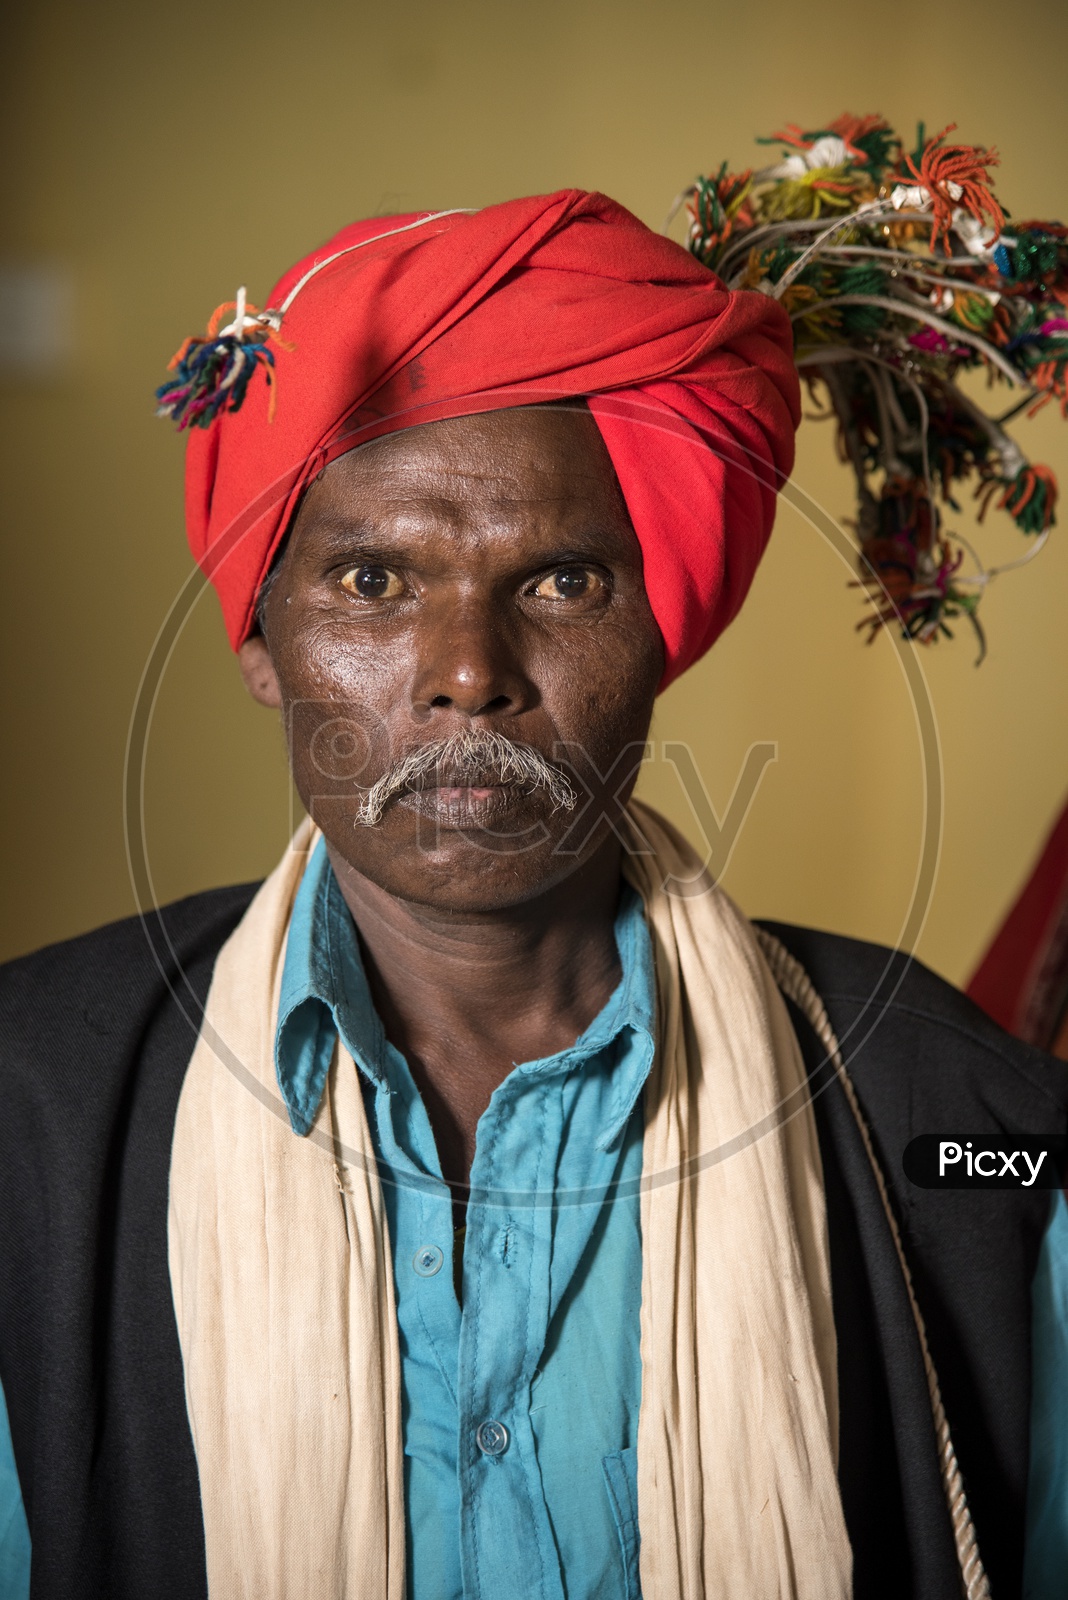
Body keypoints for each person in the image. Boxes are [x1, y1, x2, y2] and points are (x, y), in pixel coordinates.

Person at [0, 191, 1065, 1600]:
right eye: (372, 580)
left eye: (562, 582)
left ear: (662, 629)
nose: (467, 672)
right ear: (264, 640)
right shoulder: (28, 1108)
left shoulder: (965, 1126)